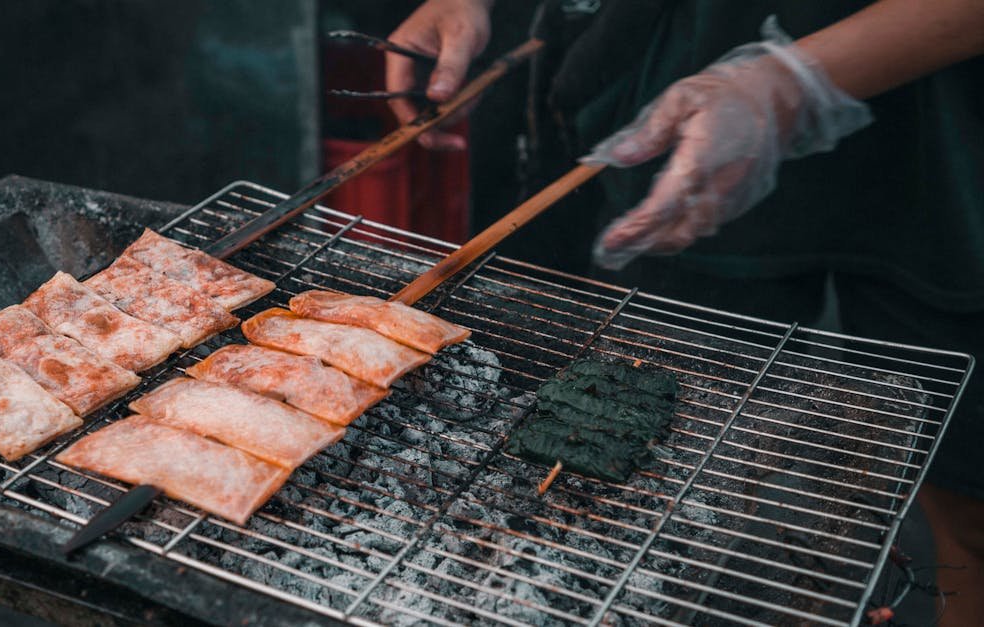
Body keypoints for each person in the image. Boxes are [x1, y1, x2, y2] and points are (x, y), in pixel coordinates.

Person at [387, 0, 984, 624]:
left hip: (951, 133)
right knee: (632, 472)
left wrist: (788, 83)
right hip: (691, 101)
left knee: (971, 506)